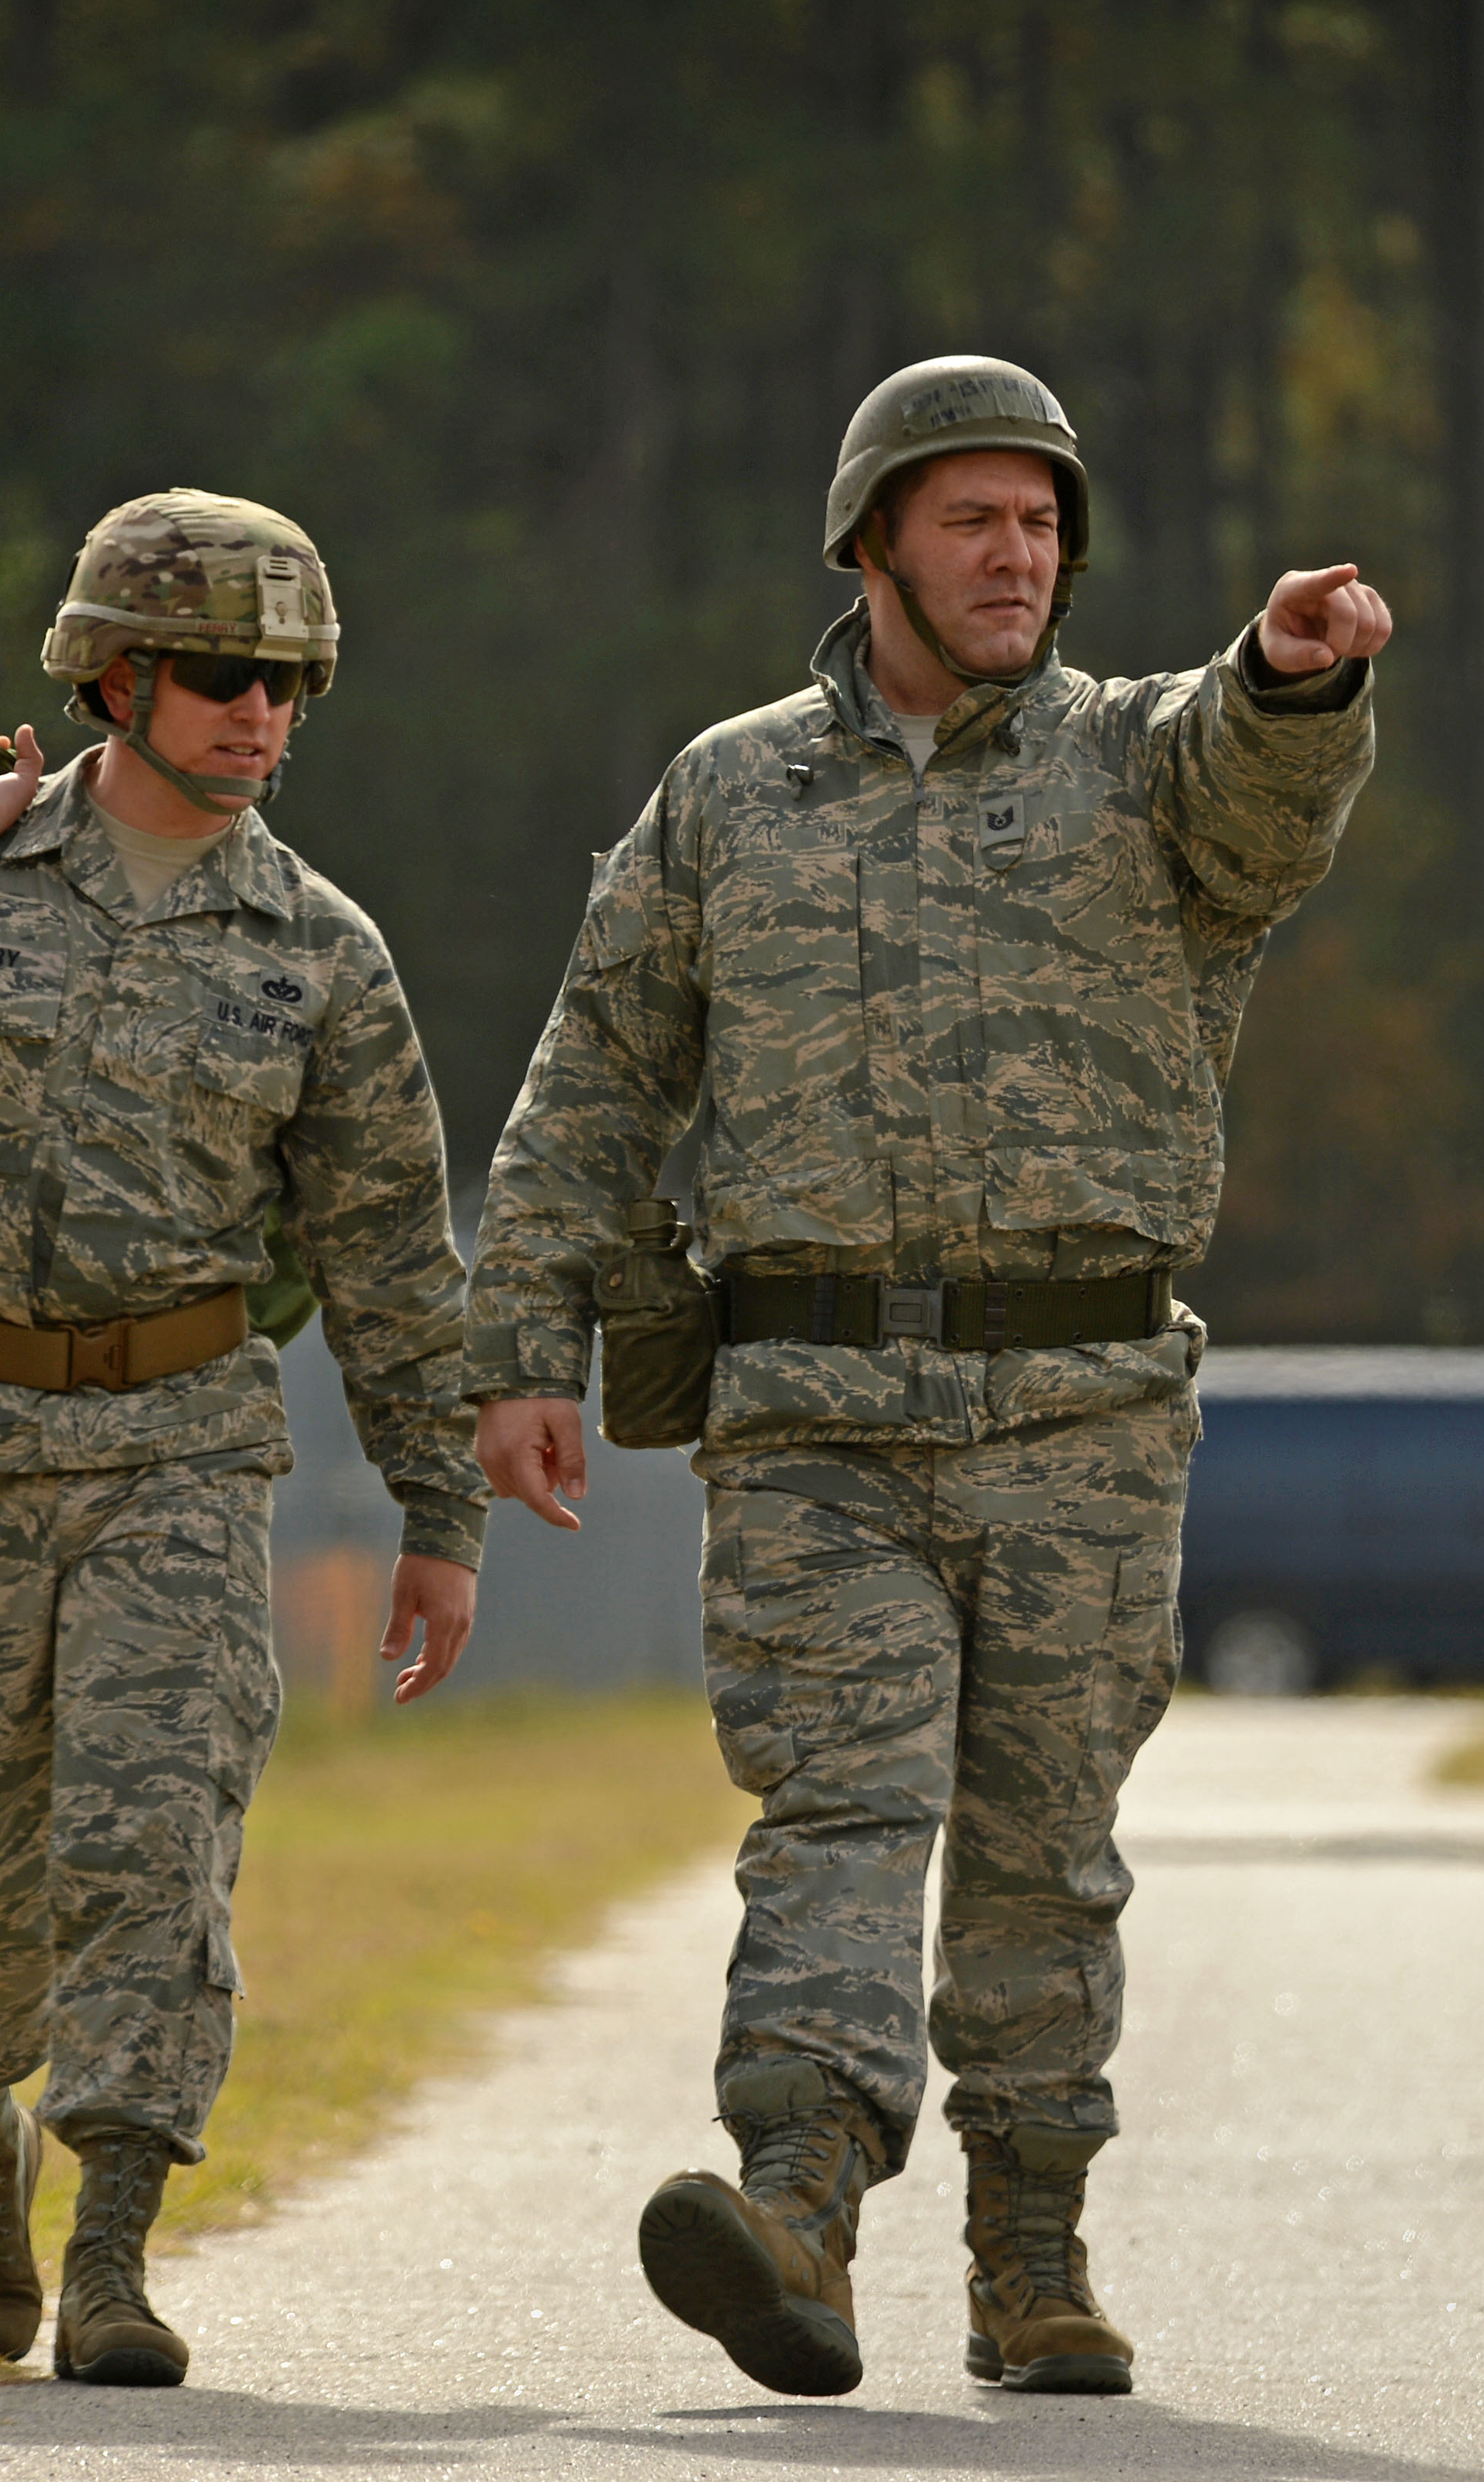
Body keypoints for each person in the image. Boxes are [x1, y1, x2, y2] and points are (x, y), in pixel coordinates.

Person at [465, 358, 1389, 2400]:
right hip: (809, 1422)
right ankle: (797, 2194)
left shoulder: (1151, 759)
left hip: (1085, 1415)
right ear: (873, 540)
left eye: (1044, 520)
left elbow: (1263, 791)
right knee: (839, 1812)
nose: (1020, 553)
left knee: (1048, 1845)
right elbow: (598, 1075)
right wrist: (523, 1346)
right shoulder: (726, 793)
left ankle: (1031, 2247)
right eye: (973, 518)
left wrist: (1296, 675)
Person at [0, 490, 487, 2389]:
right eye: (227, 674)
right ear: (116, 677)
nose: (263, 715)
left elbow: (393, 1247)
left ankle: (113, 2254)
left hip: (177, 1451)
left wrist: (438, 1506)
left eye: (292, 682)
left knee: (156, 1840)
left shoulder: (320, 951)